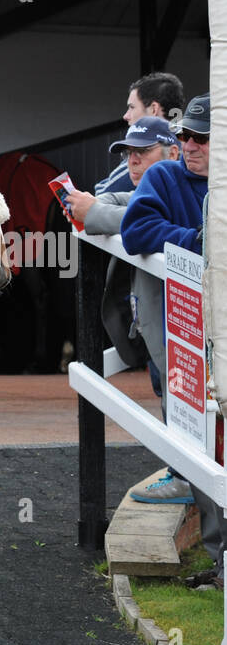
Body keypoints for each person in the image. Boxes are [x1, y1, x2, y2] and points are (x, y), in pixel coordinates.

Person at [119, 92, 219, 585]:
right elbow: (136, 231)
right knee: (198, 434)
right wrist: (198, 241)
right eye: (186, 136)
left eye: (203, 137)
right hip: (182, 332)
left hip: (217, 330)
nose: (192, 145)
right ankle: (221, 559)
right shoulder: (164, 175)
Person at [66, 117, 181, 373]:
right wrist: (93, 204)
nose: (133, 160)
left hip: (180, 334)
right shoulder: (148, 192)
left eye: (142, 151)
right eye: (129, 153)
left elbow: (144, 222)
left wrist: (93, 213)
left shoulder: (181, 190)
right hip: (153, 332)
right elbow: (117, 198)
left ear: (173, 153)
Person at [95, 72, 185, 194]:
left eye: (132, 107)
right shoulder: (195, 148)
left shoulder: (173, 153)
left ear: (153, 109)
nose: (125, 116)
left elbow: (101, 195)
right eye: (128, 153)